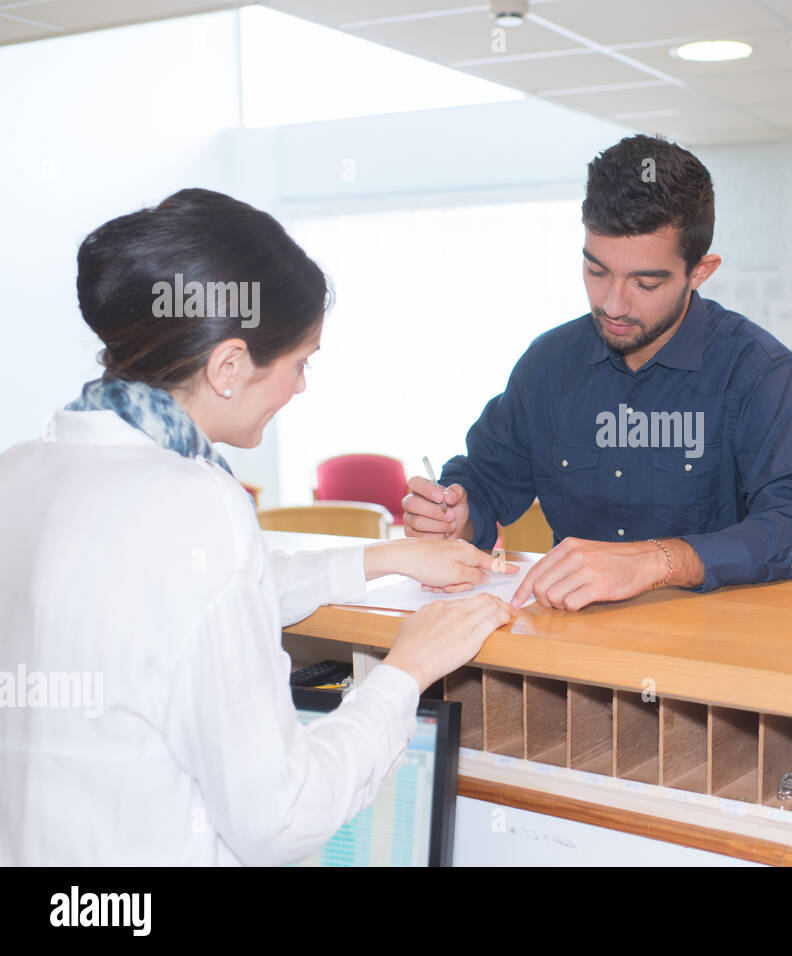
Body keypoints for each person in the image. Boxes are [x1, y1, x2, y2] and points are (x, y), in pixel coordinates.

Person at [0, 189, 517, 865]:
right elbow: (280, 818)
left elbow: (192, 605)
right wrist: (406, 672)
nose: (300, 388)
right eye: (300, 362)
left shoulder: (21, 471)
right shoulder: (193, 503)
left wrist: (387, 559)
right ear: (228, 366)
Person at [403, 134, 792, 611]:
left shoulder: (755, 370)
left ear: (700, 271)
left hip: (712, 653)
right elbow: (485, 482)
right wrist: (455, 517)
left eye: (645, 282)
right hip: (573, 650)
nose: (612, 304)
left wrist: (654, 562)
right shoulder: (549, 364)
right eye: (596, 271)